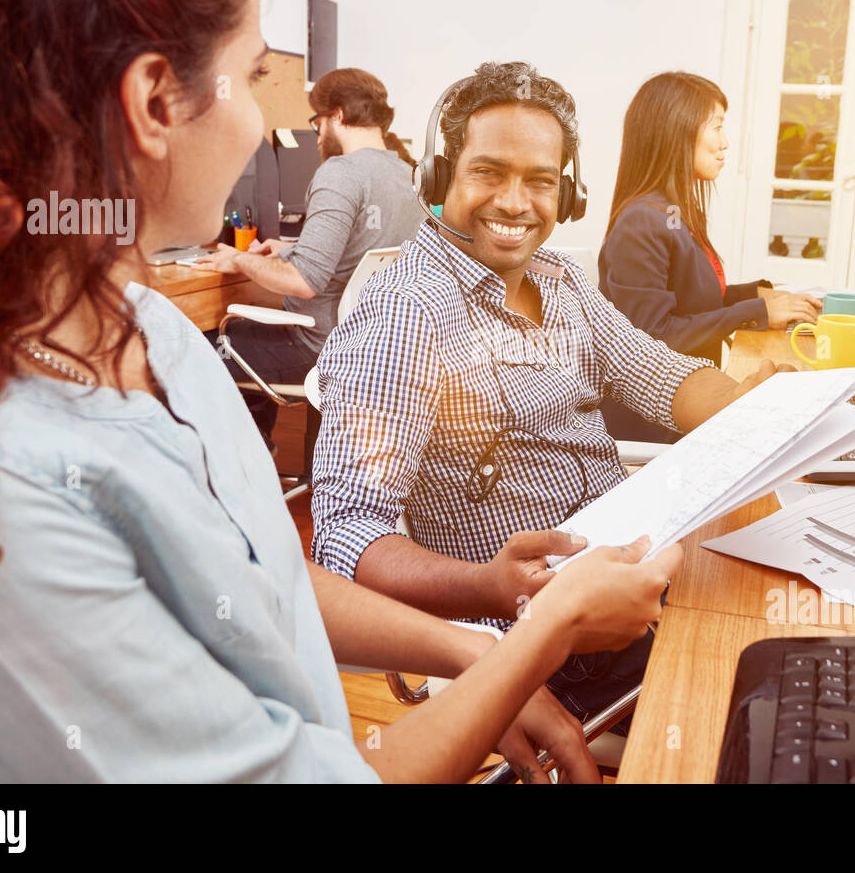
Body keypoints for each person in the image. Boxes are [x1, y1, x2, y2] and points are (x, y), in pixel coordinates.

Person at [0, 0, 681, 784]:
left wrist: (475, 646)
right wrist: (550, 628)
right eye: (255, 76)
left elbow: (265, 586)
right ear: (154, 103)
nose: (267, 119)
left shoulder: (157, 335)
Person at [311, 61, 792, 733]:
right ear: (439, 177)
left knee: (802, 665)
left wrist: (753, 402)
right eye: (488, 172)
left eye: (540, 181)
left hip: (636, 583)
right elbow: (346, 535)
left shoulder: (559, 280)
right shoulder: (408, 314)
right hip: (554, 647)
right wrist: (488, 589)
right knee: (761, 723)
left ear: (567, 194)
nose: (515, 202)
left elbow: (663, 374)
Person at [196, 67, 425, 446]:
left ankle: (244, 472)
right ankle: (260, 458)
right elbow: (365, 248)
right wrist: (292, 249)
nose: (317, 133)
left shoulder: (341, 172)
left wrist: (239, 260)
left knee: (197, 347)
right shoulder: (406, 173)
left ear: (336, 115)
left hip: (315, 348)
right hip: (369, 346)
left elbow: (303, 282)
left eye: (317, 120)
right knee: (239, 339)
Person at [599, 72, 821, 442]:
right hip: (654, 426)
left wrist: (758, 295)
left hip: (688, 406)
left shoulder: (672, 212)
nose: (725, 142)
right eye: (716, 127)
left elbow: (691, 302)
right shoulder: (642, 222)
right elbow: (655, 339)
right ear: (676, 130)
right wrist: (756, 314)